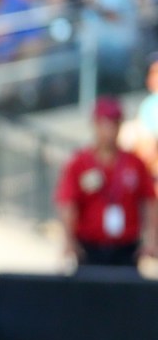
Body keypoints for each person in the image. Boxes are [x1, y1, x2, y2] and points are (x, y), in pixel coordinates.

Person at [54, 97, 158, 273]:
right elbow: (67, 202)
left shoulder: (134, 163)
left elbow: (149, 201)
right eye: (105, 124)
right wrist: (68, 240)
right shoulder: (80, 163)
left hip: (127, 248)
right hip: (90, 247)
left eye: (114, 124)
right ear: (95, 125)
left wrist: (151, 239)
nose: (109, 130)